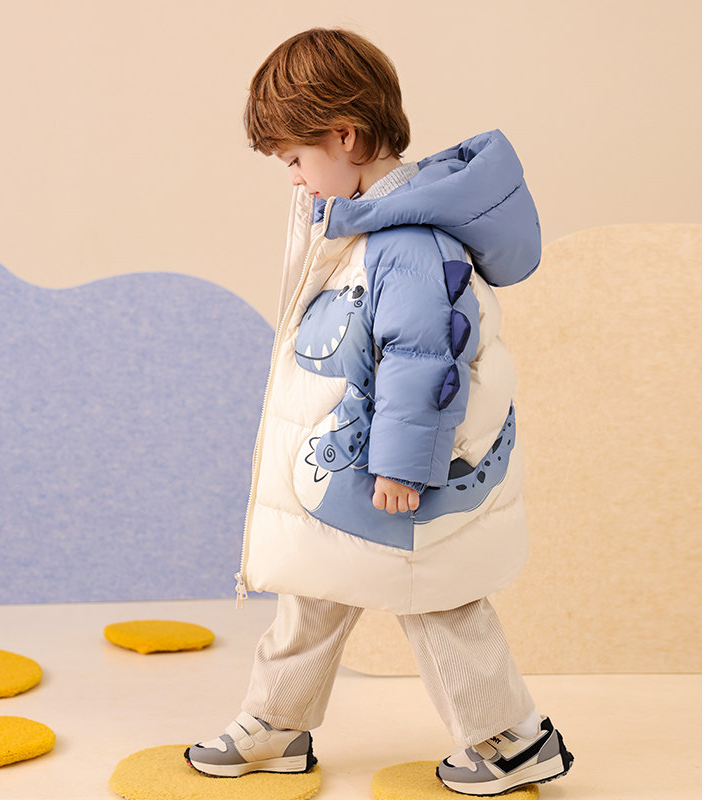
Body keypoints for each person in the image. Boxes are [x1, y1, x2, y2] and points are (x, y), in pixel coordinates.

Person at [185, 27, 574, 795]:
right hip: (347, 469)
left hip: (394, 476)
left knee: (436, 601)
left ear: (346, 136)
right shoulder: (365, 225)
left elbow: (424, 359)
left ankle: (511, 740)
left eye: (295, 159)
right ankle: (275, 725)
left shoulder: (409, 242)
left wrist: (404, 466)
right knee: (314, 591)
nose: (294, 178)